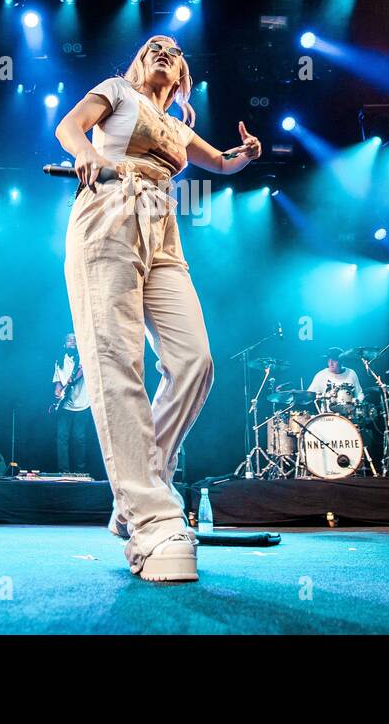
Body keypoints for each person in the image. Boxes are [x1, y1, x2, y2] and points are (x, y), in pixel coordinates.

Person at [54, 34, 261, 582]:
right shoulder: (117, 91)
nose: (162, 50)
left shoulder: (176, 125)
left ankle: (141, 482)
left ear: (183, 72)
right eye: (153, 47)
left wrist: (245, 155)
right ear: (140, 61)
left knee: (195, 362)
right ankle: (150, 518)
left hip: (164, 230)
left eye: (172, 49)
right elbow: (69, 126)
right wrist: (87, 151)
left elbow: (219, 162)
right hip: (110, 210)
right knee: (118, 362)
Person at [50, 333, 92, 475]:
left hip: (83, 404)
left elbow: (80, 373)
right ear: (64, 344)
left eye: (75, 339)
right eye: (69, 340)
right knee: (62, 438)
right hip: (66, 406)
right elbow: (57, 383)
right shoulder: (59, 361)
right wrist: (57, 394)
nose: (72, 342)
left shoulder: (83, 358)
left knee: (79, 438)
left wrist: (71, 380)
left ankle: (80, 472)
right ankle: (64, 472)